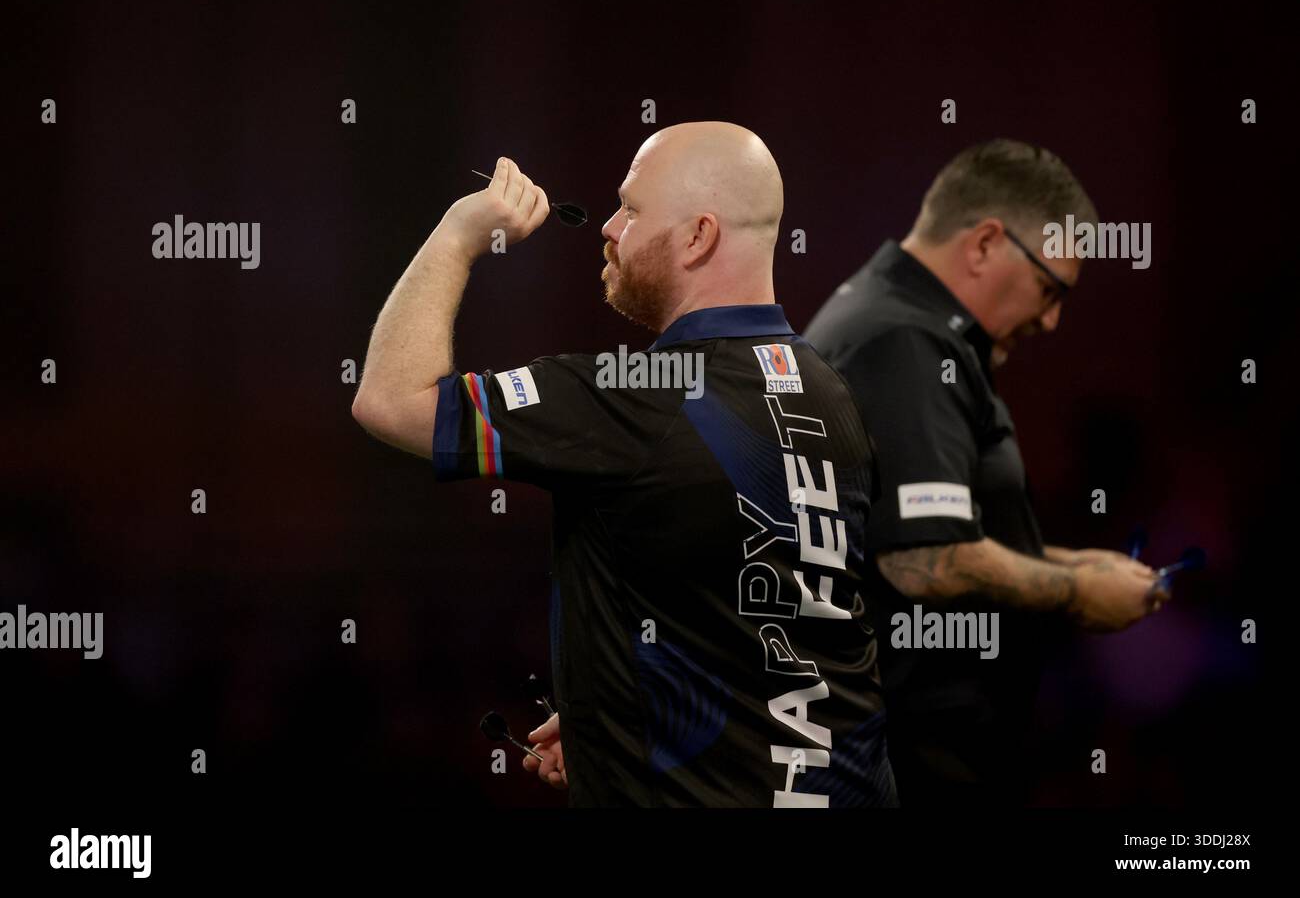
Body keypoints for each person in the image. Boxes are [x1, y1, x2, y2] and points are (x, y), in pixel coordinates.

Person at [351, 122, 897, 806]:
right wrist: (626, 728)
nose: (608, 227)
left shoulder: (636, 399)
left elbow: (391, 399)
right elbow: (787, 626)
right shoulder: (831, 392)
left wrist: (460, 234)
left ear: (698, 236)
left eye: (631, 209)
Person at [802, 138, 1169, 806]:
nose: (1052, 320)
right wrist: (1073, 592)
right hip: (911, 761)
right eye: (1049, 289)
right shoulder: (903, 339)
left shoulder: (888, 318)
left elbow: (910, 533)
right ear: (985, 243)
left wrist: (1075, 564)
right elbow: (923, 560)